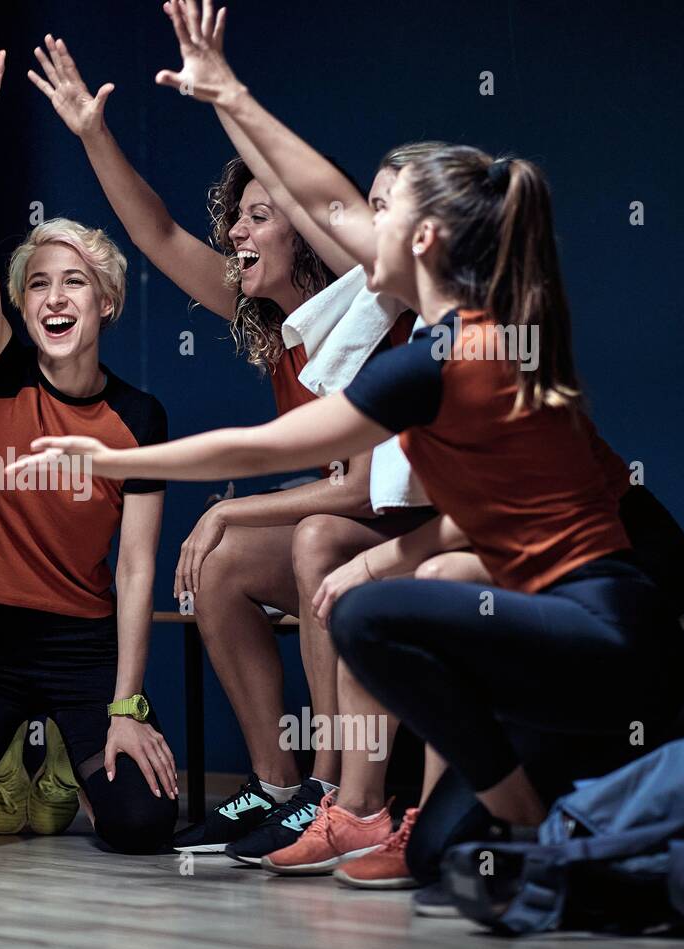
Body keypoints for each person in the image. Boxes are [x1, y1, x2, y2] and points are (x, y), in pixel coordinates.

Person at [9, 0, 684, 867]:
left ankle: (409, 807)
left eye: (378, 209)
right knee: (460, 854)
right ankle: (504, 829)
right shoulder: (421, 331)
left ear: (424, 238)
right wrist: (225, 93)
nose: (354, 220)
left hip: (616, 602)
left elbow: (282, 438)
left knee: (383, 588)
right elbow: (450, 505)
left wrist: (118, 458)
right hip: (557, 608)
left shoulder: (451, 347)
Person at [28, 31, 432, 856]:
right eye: (236, 218)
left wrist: (233, 508)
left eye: (258, 216)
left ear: (308, 239)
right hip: (359, 529)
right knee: (218, 566)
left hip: (411, 531)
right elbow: (156, 236)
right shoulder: (280, 324)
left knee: (310, 535)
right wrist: (92, 133)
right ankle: (277, 783)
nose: (238, 233)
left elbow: (360, 489)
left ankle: (332, 788)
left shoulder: (371, 311)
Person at [0, 16, 176, 857]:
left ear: (105, 303)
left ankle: (57, 750)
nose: (54, 296)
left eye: (74, 282)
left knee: (141, 826)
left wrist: (125, 705)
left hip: (83, 648)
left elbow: (134, 567)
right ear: (22, 305)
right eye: (38, 282)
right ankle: (16, 740)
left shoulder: (141, 418)